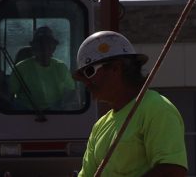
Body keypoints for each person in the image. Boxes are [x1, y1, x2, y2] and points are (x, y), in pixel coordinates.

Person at [72, 31, 187, 177]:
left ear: (116, 67)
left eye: (89, 72)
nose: (85, 82)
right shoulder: (100, 126)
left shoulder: (157, 109)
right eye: (82, 76)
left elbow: (173, 171)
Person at [10, 26, 77, 111]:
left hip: (57, 114)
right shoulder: (20, 68)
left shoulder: (61, 67)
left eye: (48, 45)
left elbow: (71, 91)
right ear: (34, 48)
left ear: (53, 48)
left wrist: (64, 106)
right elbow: (10, 93)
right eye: (40, 45)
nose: (44, 48)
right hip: (25, 113)